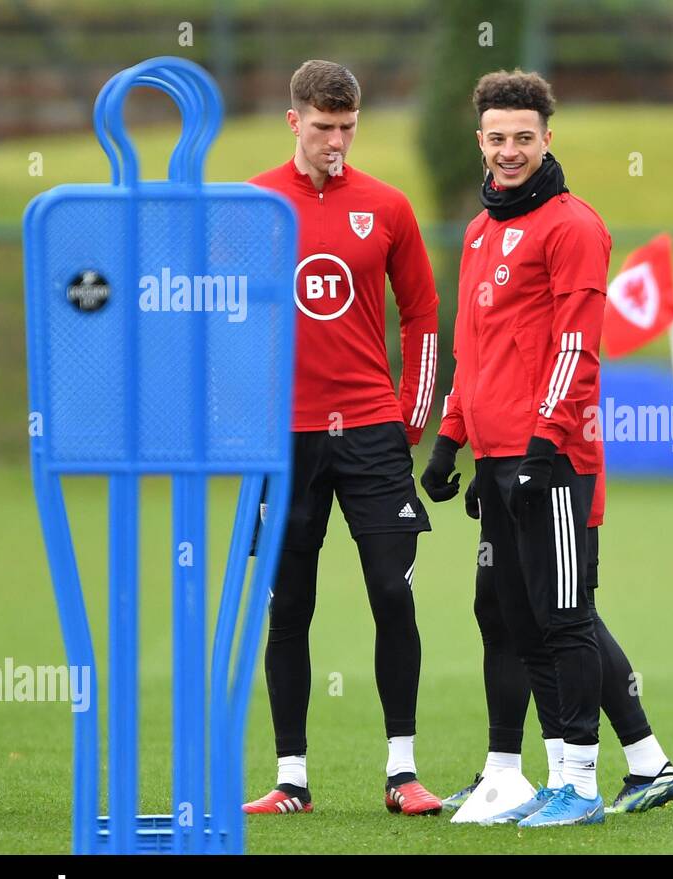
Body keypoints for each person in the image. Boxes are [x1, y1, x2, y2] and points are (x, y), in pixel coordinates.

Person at [243, 60, 442, 816]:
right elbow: (219, 314)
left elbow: (422, 314)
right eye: (322, 126)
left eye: (347, 126)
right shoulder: (254, 205)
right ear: (293, 121)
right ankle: (291, 776)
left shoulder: (387, 207)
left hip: (370, 432)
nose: (335, 139)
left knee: (393, 592)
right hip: (280, 440)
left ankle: (402, 770)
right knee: (288, 601)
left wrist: (408, 416)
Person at [421, 70, 609, 827]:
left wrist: (541, 443)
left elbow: (576, 347)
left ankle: (584, 783)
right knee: (509, 613)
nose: (509, 152)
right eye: (497, 139)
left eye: (523, 138)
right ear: (481, 141)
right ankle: (530, 775)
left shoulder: (573, 226)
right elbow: (472, 352)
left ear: (547, 139)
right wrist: (450, 442)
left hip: (551, 460)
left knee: (565, 613)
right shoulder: (478, 230)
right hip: (499, 457)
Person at [442, 467, 673, 819]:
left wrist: (523, 461)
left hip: (553, 482)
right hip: (511, 474)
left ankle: (636, 763)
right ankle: (518, 770)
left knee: (570, 614)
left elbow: (555, 413)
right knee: (503, 610)